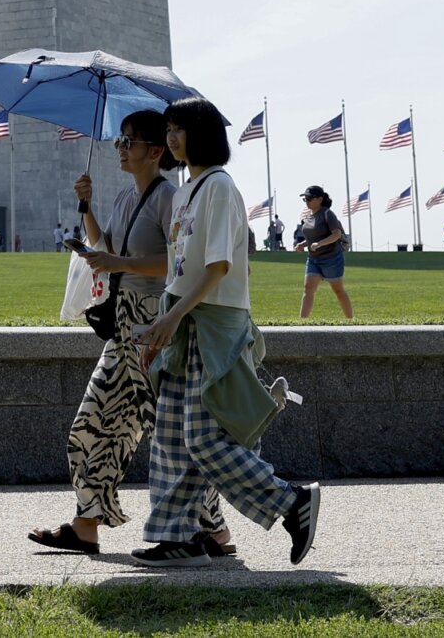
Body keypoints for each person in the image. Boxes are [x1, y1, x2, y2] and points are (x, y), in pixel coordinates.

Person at [25, 110, 227, 559]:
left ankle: (213, 531)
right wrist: (86, 208)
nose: (121, 149)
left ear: (155, 151)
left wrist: (118, 265)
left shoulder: (170, 199)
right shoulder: (124, 198)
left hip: (155, 325)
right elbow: (108, 249)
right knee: (92, 425)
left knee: (171, 435)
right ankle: (86, 525)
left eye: (129, 142)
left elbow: (177, 264)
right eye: (119, 142)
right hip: (124, 328)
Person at [131, 98, 322, 568]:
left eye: (182, 129)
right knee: (171, 438)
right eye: (170, 129)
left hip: (213, 324)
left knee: (203, 438)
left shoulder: (219, 186)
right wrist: (163, 326)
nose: (173, 137)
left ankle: (290, 501)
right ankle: (179, 537)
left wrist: (171, 321)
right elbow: (181, 269)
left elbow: (218, 266)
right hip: (183, 322)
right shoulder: (184, 192)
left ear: (205, 134)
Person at [292, 186, 353, 321]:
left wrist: (320, 244)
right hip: (314, 259)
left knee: (338, 290)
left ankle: (351, 320)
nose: (306, 201)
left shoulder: (327, 214)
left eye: (309, 198)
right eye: (305, 199)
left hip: (331, 258)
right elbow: (312, 238)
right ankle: (303, 322)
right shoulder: (308, 217)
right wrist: (303, 245)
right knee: (308, 289)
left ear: (320, 199)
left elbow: (336, 234)